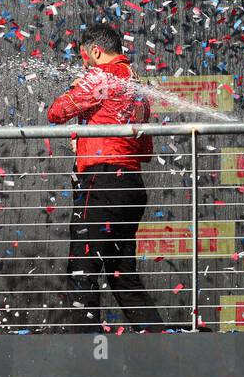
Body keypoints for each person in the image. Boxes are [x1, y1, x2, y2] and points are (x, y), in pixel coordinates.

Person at [48, 24, 163, 331]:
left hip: (101, 182)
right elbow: (145, 151)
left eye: (85, 57)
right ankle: (162, 342)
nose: (84, 65)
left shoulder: (100, 76)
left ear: (96, 52)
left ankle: (86, 348)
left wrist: (75, 87)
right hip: (131, 185)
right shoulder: (136, 84)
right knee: (121, 275)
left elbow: (56, 112)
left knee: (82, 268)